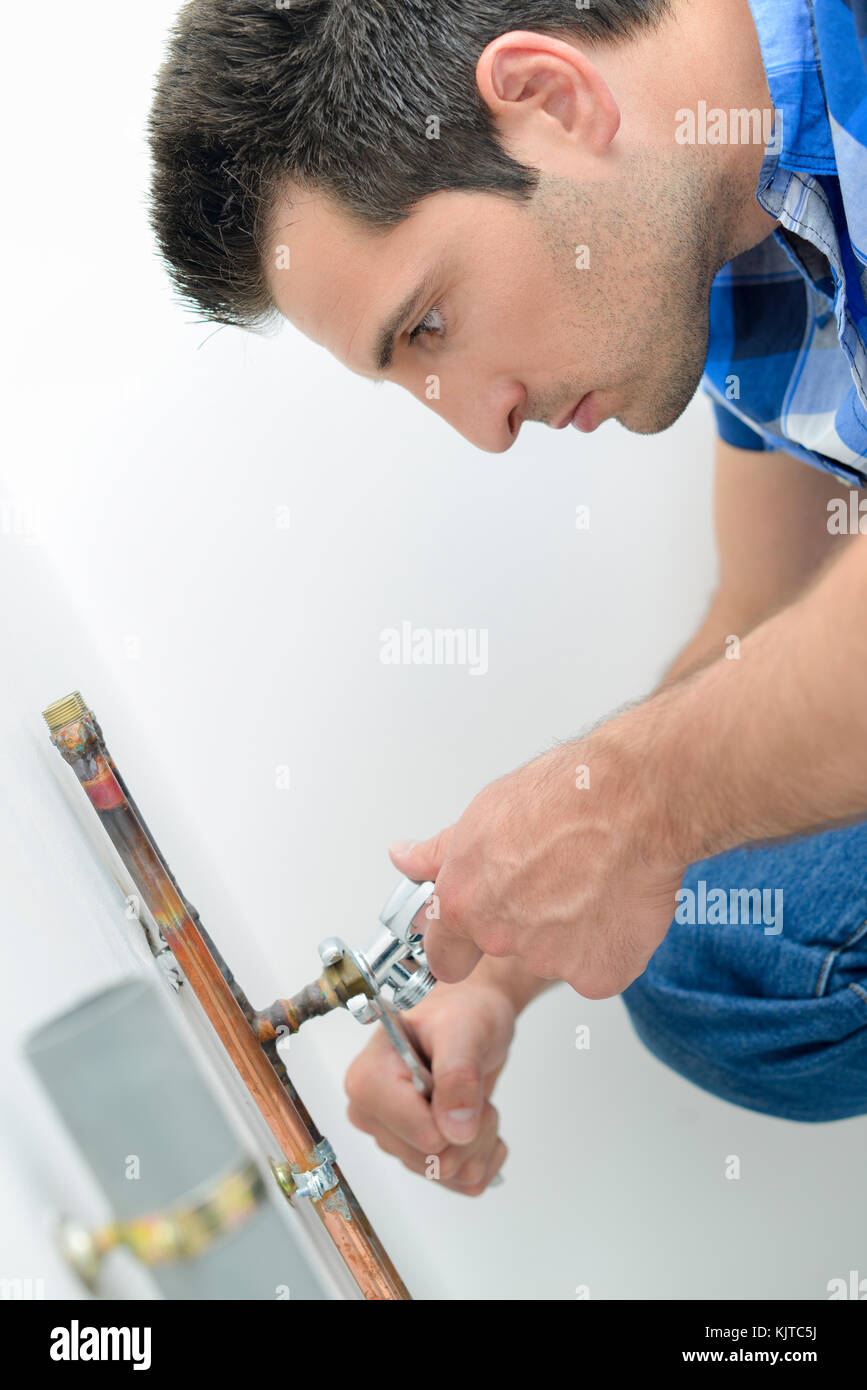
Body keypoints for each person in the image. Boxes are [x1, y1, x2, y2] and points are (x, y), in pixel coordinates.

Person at [148, 0, 867, 1195]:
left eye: (430, 321)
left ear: (550, 98)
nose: (484, 426)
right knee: (724, 966)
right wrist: (495, 965)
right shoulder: (739, 254)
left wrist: (637, 806)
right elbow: (763, 604)